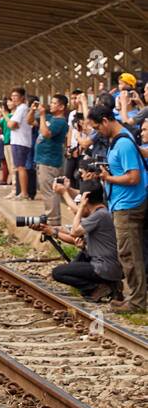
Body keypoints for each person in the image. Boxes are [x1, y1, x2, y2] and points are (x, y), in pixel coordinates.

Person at [84, 105, 147, 312]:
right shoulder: (117, 140)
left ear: (105, 121)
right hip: (122, 203)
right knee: (130, 253)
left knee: (129, 254)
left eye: (97, 127)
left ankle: (137, 303)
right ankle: (135, 298)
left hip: (128, 206)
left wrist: (108, 177)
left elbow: (133, 177)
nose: (97, 132)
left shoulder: (123, 143)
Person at [36, 182, 121, 302]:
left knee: (58, 273)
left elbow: (75, 232)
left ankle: (98, 288)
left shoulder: (100, 215)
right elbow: (74, 235)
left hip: (104, 267)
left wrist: (80, 207)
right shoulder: (100, 214)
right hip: (106, 266)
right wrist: (52, 230)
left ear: (85, 199)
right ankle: (106, 286)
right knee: (77, 260)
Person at [35, 94, 69, 224]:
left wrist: (42, 115)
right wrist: (34, 111)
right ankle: (50, 217)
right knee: (46, 190)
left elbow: (46, 134)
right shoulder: (51, 118)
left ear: (61, 107)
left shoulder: (60, 122)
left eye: (54, 103)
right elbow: (30, 121)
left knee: (49, 191)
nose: (51, 105)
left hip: (49, 161)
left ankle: (53, 221)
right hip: (43, 159)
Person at [4, 88, 35, 202]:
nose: (13, 98)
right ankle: (21, 191)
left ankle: (24, 193)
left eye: (16, 96)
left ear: (22, 97)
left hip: (20, 142)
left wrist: (8, 120)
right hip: (20, 141)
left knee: (20, 167)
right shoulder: (21, 108)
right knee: (19, 167)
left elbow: (12, 124)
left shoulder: (21, 108)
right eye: (12, 96)